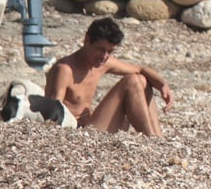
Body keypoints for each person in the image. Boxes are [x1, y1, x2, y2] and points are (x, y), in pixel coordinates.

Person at [45, 16, 173, 136]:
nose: (104, 56)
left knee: (142, 79)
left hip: (96, 126)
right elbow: (53, 113)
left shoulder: (101, 62)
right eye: (100, 49)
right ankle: (150, 138)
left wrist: (162, 85)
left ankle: (157, 137)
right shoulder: (65, 70)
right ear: (87, 41)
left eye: (110, 51)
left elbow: (141, 69)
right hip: (79, 134)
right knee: (133, 81)